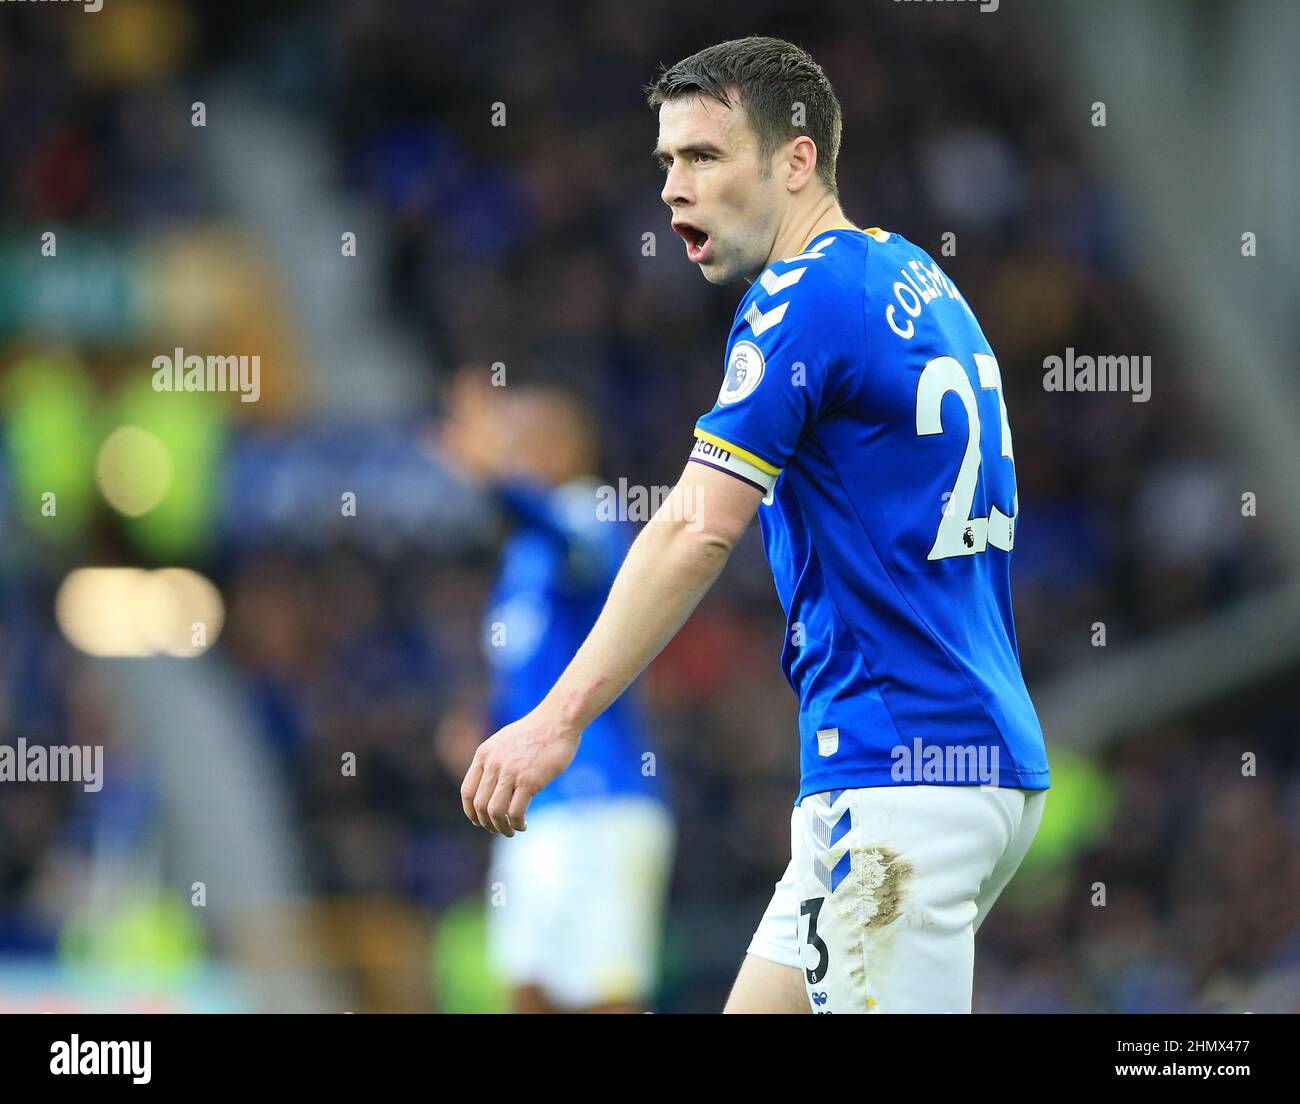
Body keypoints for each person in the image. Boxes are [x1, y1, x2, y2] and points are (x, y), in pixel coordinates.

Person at [460, 35, 1049, 1014]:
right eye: (664, 163)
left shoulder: (801, 293)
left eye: (702, 156)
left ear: (797, 158)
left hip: (897, 774)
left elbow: (696, 527)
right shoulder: (915, 280)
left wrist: (552, 723)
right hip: (936, 763)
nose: (671, 190)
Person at [437, 372, 674, 1012]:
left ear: (567, 446)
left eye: (524, 440)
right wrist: (481, 723)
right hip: (537, 812)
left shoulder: (592, 516)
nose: (514, 453)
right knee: (528, 991)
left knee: (603, 997)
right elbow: (533, 678)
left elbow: (576, 546)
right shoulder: (521, 560)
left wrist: (498, 483)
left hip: (602, 799)